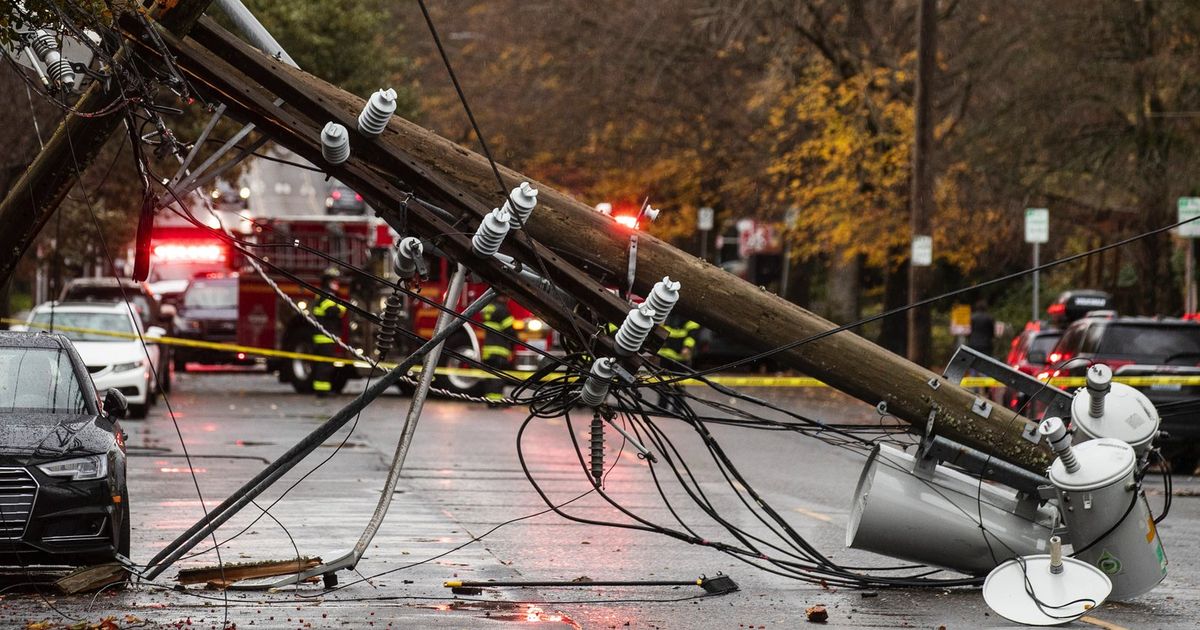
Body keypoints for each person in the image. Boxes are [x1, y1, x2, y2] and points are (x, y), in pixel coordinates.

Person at [311, 267, 347, 397]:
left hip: (326, 336)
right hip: (324, 336)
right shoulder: (324, 295)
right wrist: (344, 306)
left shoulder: (327, 294)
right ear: (327, 281)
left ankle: (323, 390)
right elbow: (334, 311)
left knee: (326, 364)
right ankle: (322, 391)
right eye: (334, 280)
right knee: (325, 365)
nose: (336, 283)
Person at [480, 296, 515, 395]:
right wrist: (517, 340)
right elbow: (509, 331)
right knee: (498, 376)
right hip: (500, 350)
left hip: (487, 350)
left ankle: (489, 399)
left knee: (490, 376)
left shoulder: (488, 309)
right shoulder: (503, 310)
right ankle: (496, 401)